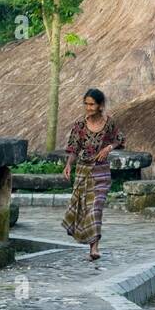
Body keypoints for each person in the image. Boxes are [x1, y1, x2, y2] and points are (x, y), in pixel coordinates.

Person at [61, 89, 125, 261]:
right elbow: (74, 149)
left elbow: (119, 139)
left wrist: (108, 148)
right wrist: (68, 165)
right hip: (83, 170)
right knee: (85, 208)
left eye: (92, 104)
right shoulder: (79, 126)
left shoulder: (109, 123)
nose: (88, 107)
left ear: (100, 106)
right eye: (86, 104)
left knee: (96, 207)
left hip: (101, 171)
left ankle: (94, 246)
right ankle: (90, 242)